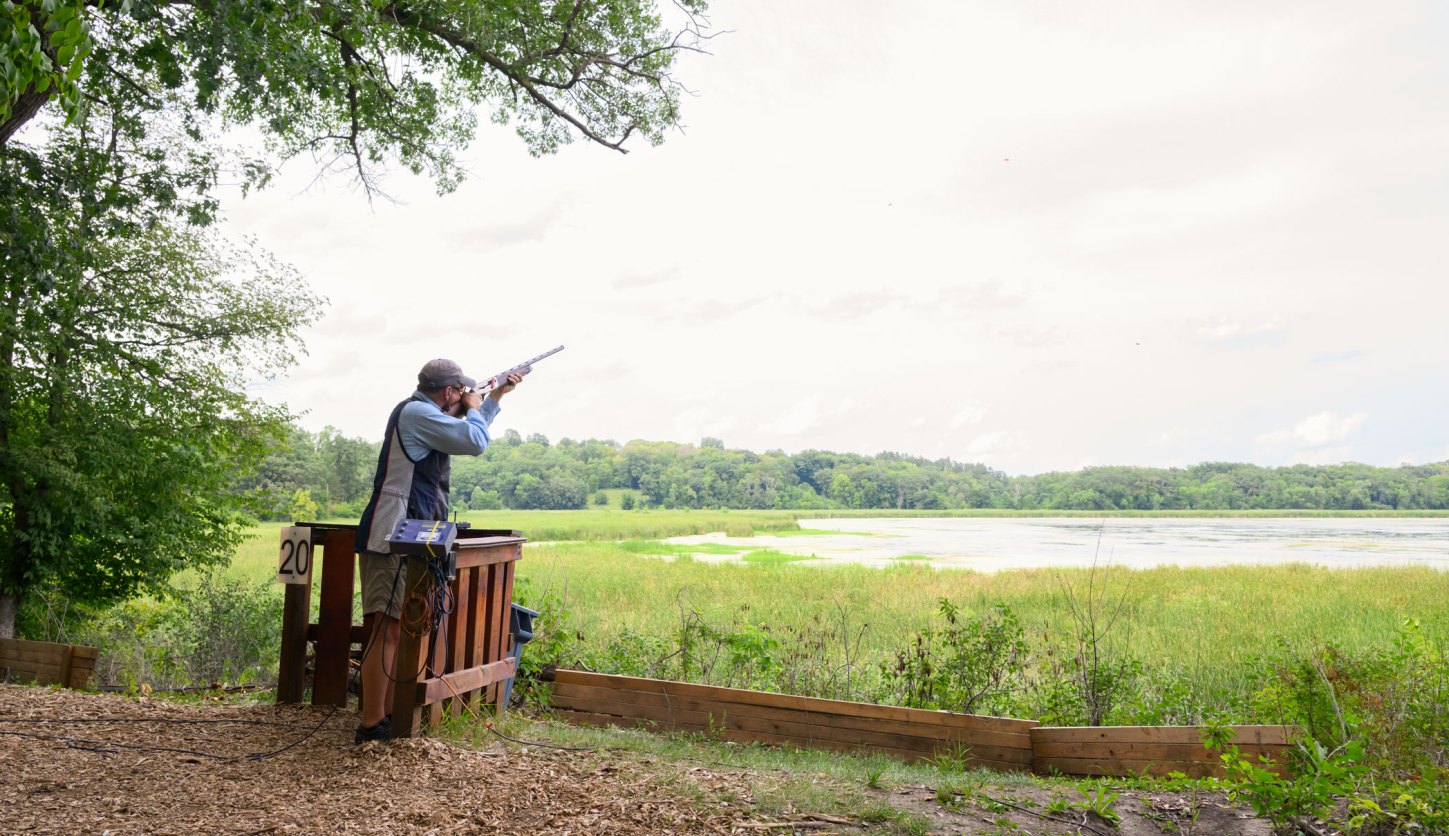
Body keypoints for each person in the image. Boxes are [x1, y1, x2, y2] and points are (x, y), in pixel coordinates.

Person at [353, 358, 522, 742]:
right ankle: (371, 724)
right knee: (385, 628)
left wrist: (491, 398)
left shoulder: (423, 413)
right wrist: (479, 407)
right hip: (390, 536)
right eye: (461, 392)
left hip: (410, 536)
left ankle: (390, 717)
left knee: (399, 627)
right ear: (449, 393)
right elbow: (473, 441)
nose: (465, 397)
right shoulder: (416, 414)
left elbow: (464, 433)